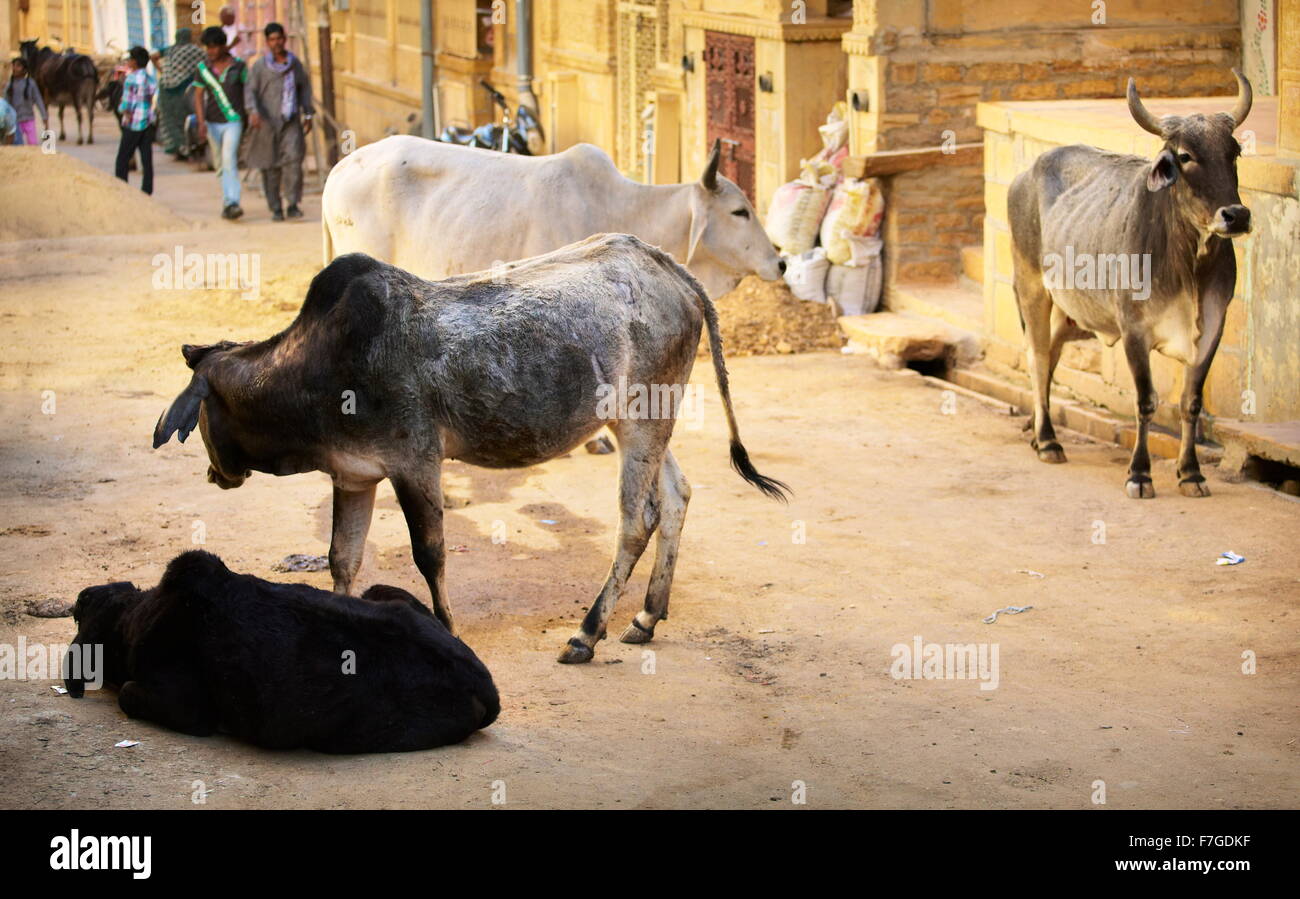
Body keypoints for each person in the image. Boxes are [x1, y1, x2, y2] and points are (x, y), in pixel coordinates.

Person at [245, 22, 313, 221]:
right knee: (270, 166)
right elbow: (250, 92)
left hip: (290, 121)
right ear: (267, 42)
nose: (277, 43)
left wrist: (308, 113)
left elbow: (305, 88)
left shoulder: (294, 64)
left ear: (284, 39)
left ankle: (292, 204)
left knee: (293, 161)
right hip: (266, 123)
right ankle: (275, 207)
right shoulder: (259, 67)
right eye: (272, 39)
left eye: (279, 38)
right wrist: (253, 112)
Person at [194, 26, 248, 220]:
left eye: (214, 47)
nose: (211, 51)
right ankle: (227, 201)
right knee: (219, 164)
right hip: (212, 123)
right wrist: (201, 122)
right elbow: (198, 97)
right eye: (208, 48)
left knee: (228, 159)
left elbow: (248, 92)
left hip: (234, 120)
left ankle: (233, 201)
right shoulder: (203, 69)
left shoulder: (239, 66)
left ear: (224, 47)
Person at [114, 46, 157, 194]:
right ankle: (147, 190)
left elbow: (127, 104)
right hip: (146, 122)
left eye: (130, 59)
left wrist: (121, 109)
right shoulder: (150, 79)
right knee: (146, 160)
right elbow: (151, 100)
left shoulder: (130, 79)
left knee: (122, 159)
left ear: (134, 62)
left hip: (132, 123)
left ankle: (121, 188)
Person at [155, 27, 204, 157]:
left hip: (165, 89)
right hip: (185, 89)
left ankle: (175, 146)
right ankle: (186, 146)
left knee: (169, 119)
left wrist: (161, 70)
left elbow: (153, 56)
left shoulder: (169, 50)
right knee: (184, 117)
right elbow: (206, 63)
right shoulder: (195, 50)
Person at [5, 57, 47, 146]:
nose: (14, 68)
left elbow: (38, 99)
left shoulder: (31, 84)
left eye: (18, 66)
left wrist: (44, 116)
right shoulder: (9, 86)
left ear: (25, 70)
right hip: (15, 121)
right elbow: (5, 105)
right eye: (14, 66)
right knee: (17, 145)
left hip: (29, 119)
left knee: (33, 144)